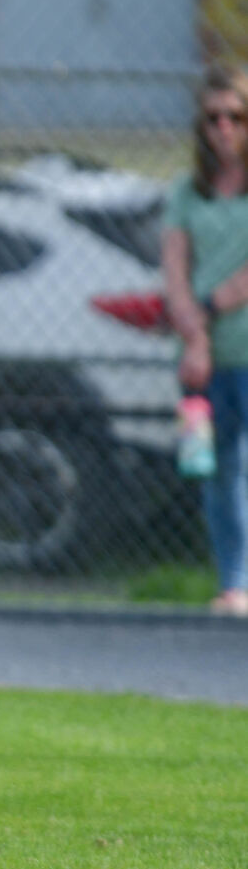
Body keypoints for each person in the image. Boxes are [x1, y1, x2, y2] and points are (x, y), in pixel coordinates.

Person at [161, 66, 248, 618]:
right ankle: (234, 583)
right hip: (201, 363)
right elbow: (174, 270)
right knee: (212, 470)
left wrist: (208, 309)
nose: (223, 128)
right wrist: (193, 337)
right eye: (213, 118)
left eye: (235, 116)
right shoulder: (185, 192)